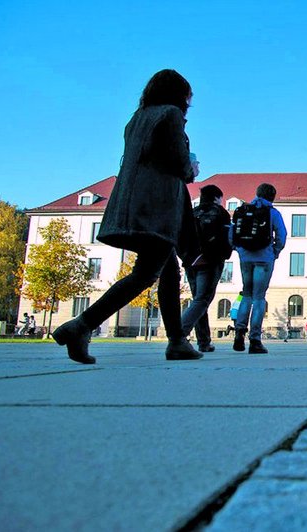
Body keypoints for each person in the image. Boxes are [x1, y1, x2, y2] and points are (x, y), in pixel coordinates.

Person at [53, 69, 202, 364]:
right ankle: (81, 325)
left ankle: (176, 340)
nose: (188, 104)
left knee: (169, 270)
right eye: (188, 97)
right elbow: (178, 162)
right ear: (179, 95)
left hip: (134, 203)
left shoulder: (137, 119)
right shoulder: (171, 115)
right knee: (146, 274)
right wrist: (192, 169)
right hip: (157, 206)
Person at [231, 183, 287, 354]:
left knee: (246, 294)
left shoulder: (243, 209)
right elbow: (282, 235)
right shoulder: (272, 213)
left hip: (245, 258)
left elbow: (232, 233)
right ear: (272, 197)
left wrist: (239, 249)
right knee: (259, 298)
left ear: (257, 194)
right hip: (264, 258)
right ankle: (255, 339)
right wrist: (275, 252)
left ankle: (239, 333)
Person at [181, 184, 232, 352]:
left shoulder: (192, 213)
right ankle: (179, 333)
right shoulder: (220, 213)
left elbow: (180, 238)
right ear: (217, 198)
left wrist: (187, 258)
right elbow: (226, 238)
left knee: (198, 300)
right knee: (202, 300)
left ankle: (203, 341)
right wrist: (225, 255)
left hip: (191, 262)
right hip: (211, 261)